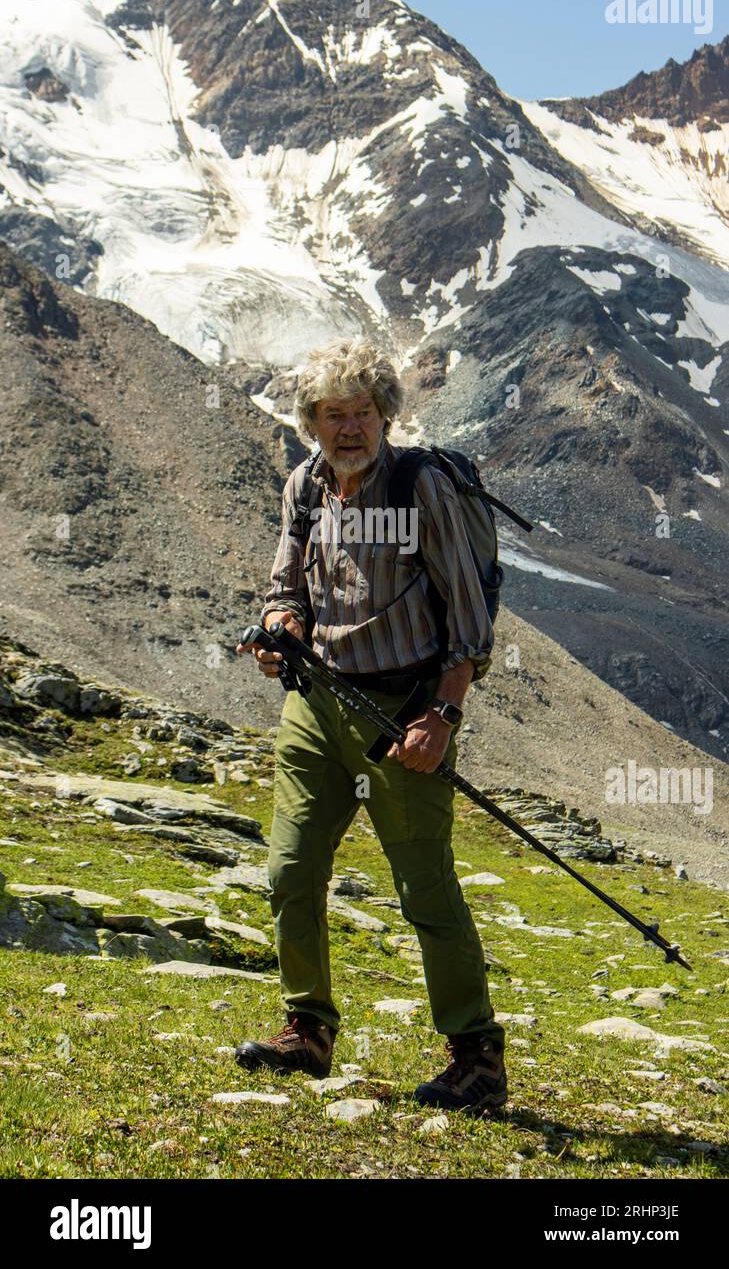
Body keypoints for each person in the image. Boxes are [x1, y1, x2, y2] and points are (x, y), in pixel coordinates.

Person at [235, 338, 507, 1115]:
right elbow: (283, 585)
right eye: (332, 415)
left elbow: (469, 615)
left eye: (361, 413)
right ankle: (307, 1029)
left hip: (404, 712)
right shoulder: (305, 487)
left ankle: (475, 1054)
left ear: (384, 413)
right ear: (309, 422)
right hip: (315, 705)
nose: (348, 428)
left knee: (424, 887)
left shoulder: (421, 486)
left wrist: (443, 715)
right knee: (290, 871)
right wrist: (278, 622)